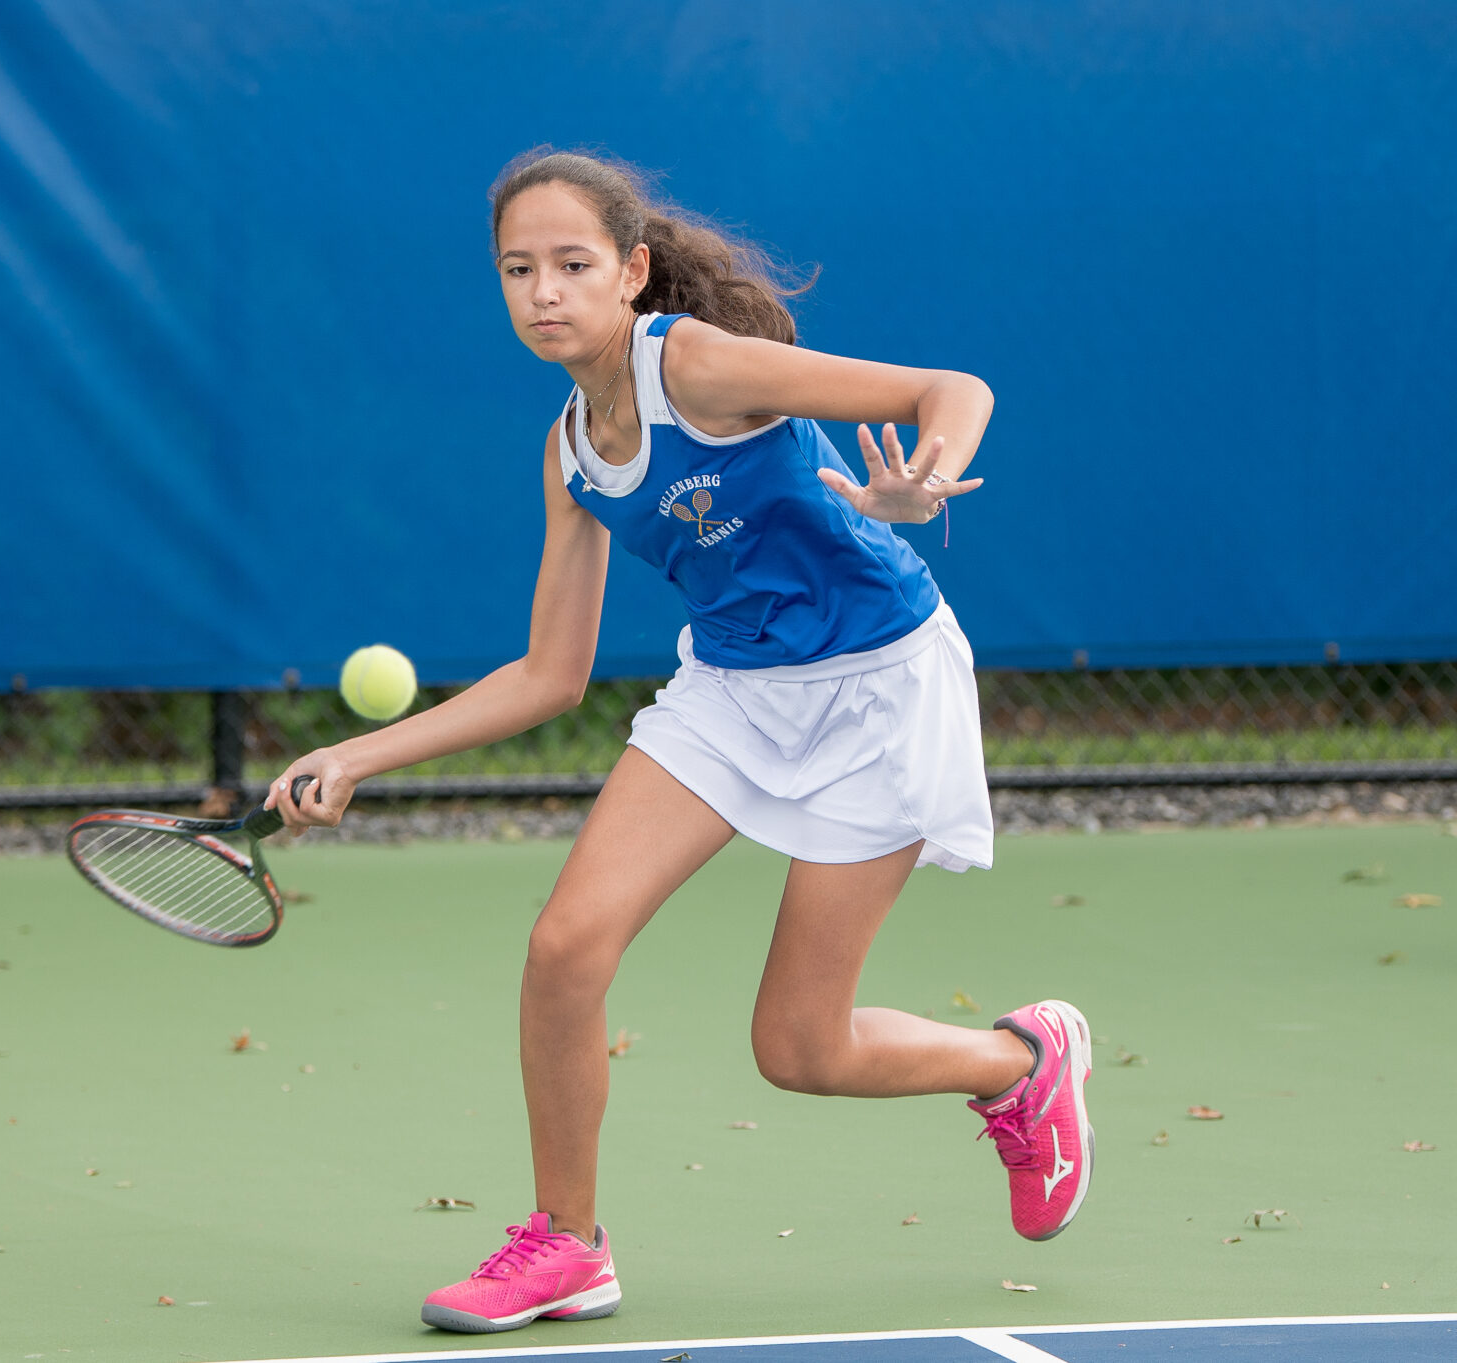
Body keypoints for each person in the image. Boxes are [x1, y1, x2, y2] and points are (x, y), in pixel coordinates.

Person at [265, 148, 1092, 1335]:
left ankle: (1018, 1064)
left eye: (571, 264)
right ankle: (565, 1245)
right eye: (517, 269)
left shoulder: (694, 366)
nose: (543, 291)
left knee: (798, 1048)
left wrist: (926, 480)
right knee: (564, 946)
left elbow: (946, 388)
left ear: (631, 272)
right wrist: (356, 757)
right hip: (732, 690)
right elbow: (550, 676)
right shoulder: (566, 454)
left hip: (879, 688)